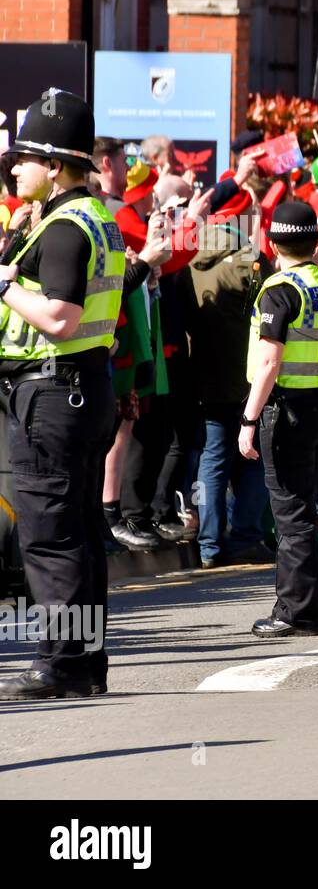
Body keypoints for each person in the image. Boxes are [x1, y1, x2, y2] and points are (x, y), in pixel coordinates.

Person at [0, 90, 125, 699]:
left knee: (50, 535)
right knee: (77, 530)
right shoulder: (94, 217)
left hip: (52, 392)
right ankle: (84, 665)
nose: (13, 169)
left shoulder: (65, 229)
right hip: (85, 388)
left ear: (54, 164)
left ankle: (58, 662)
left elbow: (58, 317)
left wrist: (3, 284)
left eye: (21, 159)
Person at [239, 202, 318, 637]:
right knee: (300, 510)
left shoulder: (278, 290)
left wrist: (248, 418)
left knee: (292, 515)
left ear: (271, 242)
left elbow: (269, 362)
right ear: (316, 242)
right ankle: (301, 607)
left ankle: (296, 612)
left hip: (288, 411)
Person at [179, 221, 275, 570]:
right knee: (255, 458)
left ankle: (209, 544)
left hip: (206, 372)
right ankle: (246, 536)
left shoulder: (188, 264)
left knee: (213, 459)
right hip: (250, 375)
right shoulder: (254, 262)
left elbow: (184, 318)